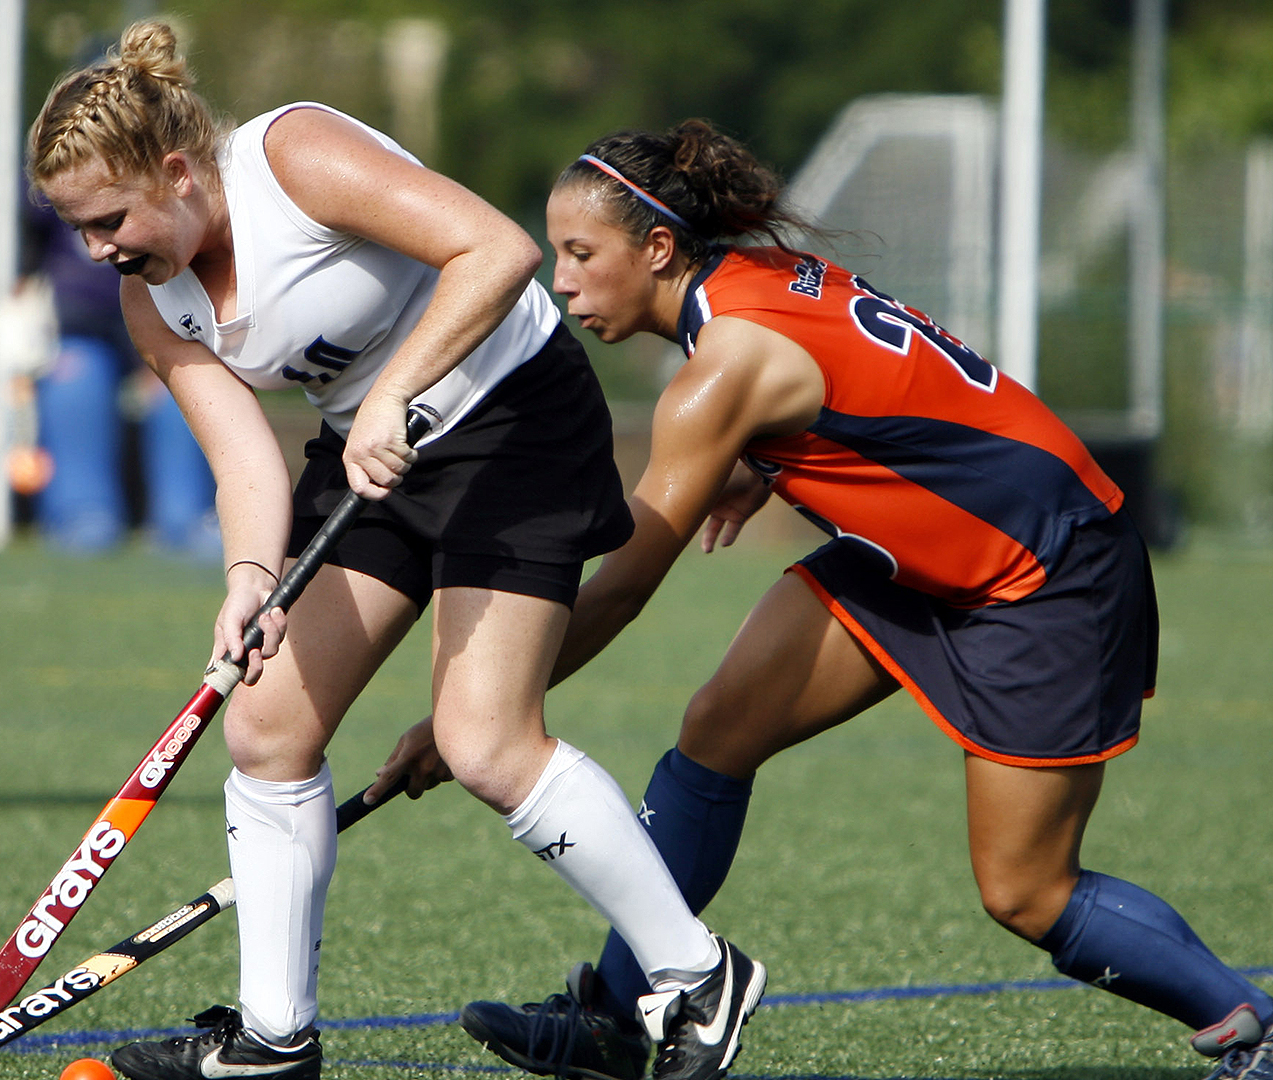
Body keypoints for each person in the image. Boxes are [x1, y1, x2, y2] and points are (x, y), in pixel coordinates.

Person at [369, 120, 1273, 1080]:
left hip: (1043, 572)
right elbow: (867, 379)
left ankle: (1250, 1023)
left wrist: (478, 716)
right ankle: (623, 1024)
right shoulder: (757, 280)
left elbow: (626, 582)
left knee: (1026, 890)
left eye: (583, 253)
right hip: (908, 562)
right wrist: (772, 460)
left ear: (661, 249)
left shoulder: (719, 376)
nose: (563, 280)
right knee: (716, 731)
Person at [26, 23, 766, 1080]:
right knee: (268, 726)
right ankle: (272, 1040)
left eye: (107, 220)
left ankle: (697, 976)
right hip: (372, 449)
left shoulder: (296, 160)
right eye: (78, 230)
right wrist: (248, 584)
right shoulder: (152, 296)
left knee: (484, 743)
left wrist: (392, 392)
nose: (98, 250)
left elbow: (499, 253)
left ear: (178, 171)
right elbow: (241, 460)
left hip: (513, 422)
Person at [20, 181, 219, 558]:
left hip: (169, 306)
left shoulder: (156, 164)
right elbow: (26, 244)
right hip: (80, 317)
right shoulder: (48, 174)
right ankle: (80, 514)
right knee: (76, 386)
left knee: (184, 397)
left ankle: (189, 517)